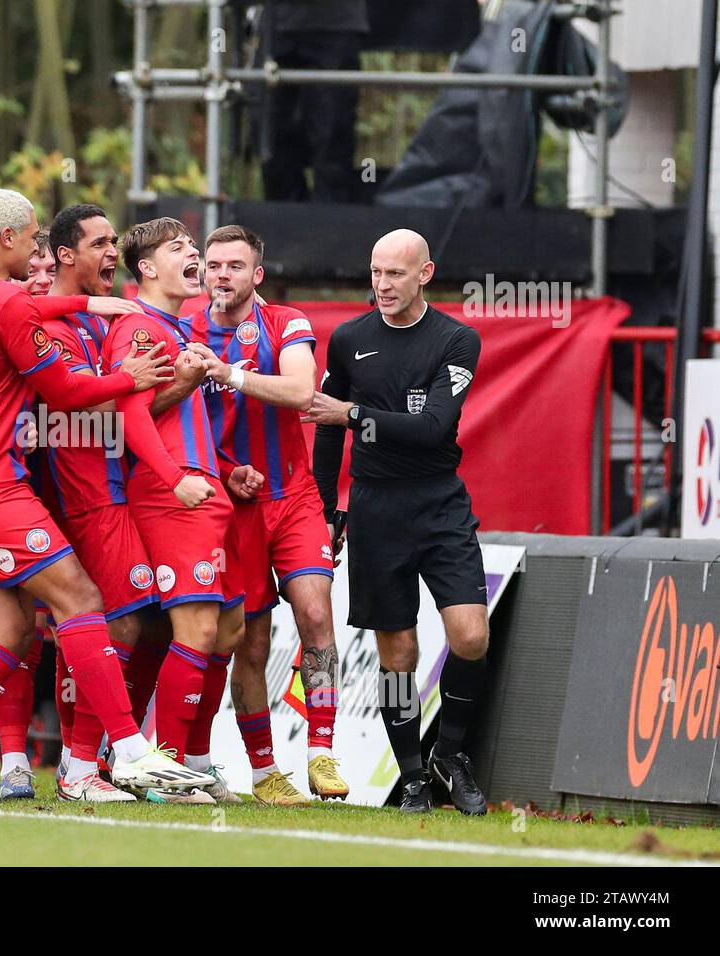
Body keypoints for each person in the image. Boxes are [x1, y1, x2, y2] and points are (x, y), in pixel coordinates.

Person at [0, 188, 214, 802]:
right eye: (33, 237)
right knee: (83, 597)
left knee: (8, 629)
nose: (38, 251)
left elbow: (27, 312)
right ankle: (126, 751)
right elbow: (65, 392)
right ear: (9, 238)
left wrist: (96, 302)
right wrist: (131, 378)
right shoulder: (9, 305)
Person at [22, 204, 209, 802]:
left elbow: (123, 409)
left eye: (113, 243)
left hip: (112, 492)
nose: (112, 254)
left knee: (123, 621)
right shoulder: (51, 328)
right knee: (108, 621)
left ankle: (98, 759)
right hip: (85, 496)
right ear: (64, 254)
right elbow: (91, 412)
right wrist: (164, 383)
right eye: (101, 243)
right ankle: (78, 764)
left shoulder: (96, 321)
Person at [306, 228, 489, 815]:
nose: (381, 285)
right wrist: (326, 508)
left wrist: (353, 413)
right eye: (376, 272)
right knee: (398, 654)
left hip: (439, 500)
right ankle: (412, 774)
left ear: (425, 274)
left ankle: (451, 753)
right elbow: (327, 430)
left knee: (470, 635)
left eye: (394, 274)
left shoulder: (457, 340)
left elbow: (435, 426)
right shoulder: (350, 339)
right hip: (375, 507)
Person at [183, 224, 349, 806]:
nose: (221, 273)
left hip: (295, 497)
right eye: (213, 263)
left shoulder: (286, 323)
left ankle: (323, 752)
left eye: (235, 264)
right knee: (249, 646)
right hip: (231, 508)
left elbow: (303, 391)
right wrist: (227, 472)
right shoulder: (185, 331)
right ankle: (263, 773)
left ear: (257, 275)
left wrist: (230, 374)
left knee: (316, 615)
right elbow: (181, 426)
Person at [104, 217, 260, 804]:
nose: (194, 257)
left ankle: (194, 759)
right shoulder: (139, 328)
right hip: (173, 496)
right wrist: (175, 479)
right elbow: (129, 411)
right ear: (146, 268)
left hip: (207, 488)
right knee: (193, 628)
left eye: (194, 247)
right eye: (180, 249)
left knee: (228, 630)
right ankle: (164, 768)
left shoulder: (175, 327)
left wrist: (224, 471)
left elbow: (178, 417)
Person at [258, 0, 368, 203]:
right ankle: (280, 220)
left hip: (337, 24)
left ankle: (332, 224)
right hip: (278, 24)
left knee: (333, 134)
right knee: (274, 136)